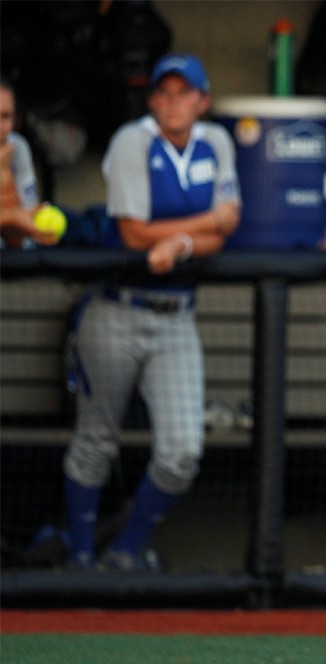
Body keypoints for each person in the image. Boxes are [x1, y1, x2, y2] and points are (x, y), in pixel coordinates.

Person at [61, 53, 241, 571]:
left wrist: (184, 241)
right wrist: (206, 223)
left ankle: (124, 550)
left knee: (182, 451)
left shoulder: (217, 142)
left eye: (185, 93)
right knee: (96, 439)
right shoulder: (131, 140)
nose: (173, 102)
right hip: (117, 308)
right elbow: (134, 233)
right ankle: (77, 559)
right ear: (152, 99)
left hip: (176, 314)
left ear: (202, 101)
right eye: (164, 92)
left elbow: (230, 229)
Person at [0, 76, 59, 249]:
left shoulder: (17, 147)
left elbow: (17, 241)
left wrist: (4, 176)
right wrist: (10, 218)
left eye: (5, 116)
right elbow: (14, 218)